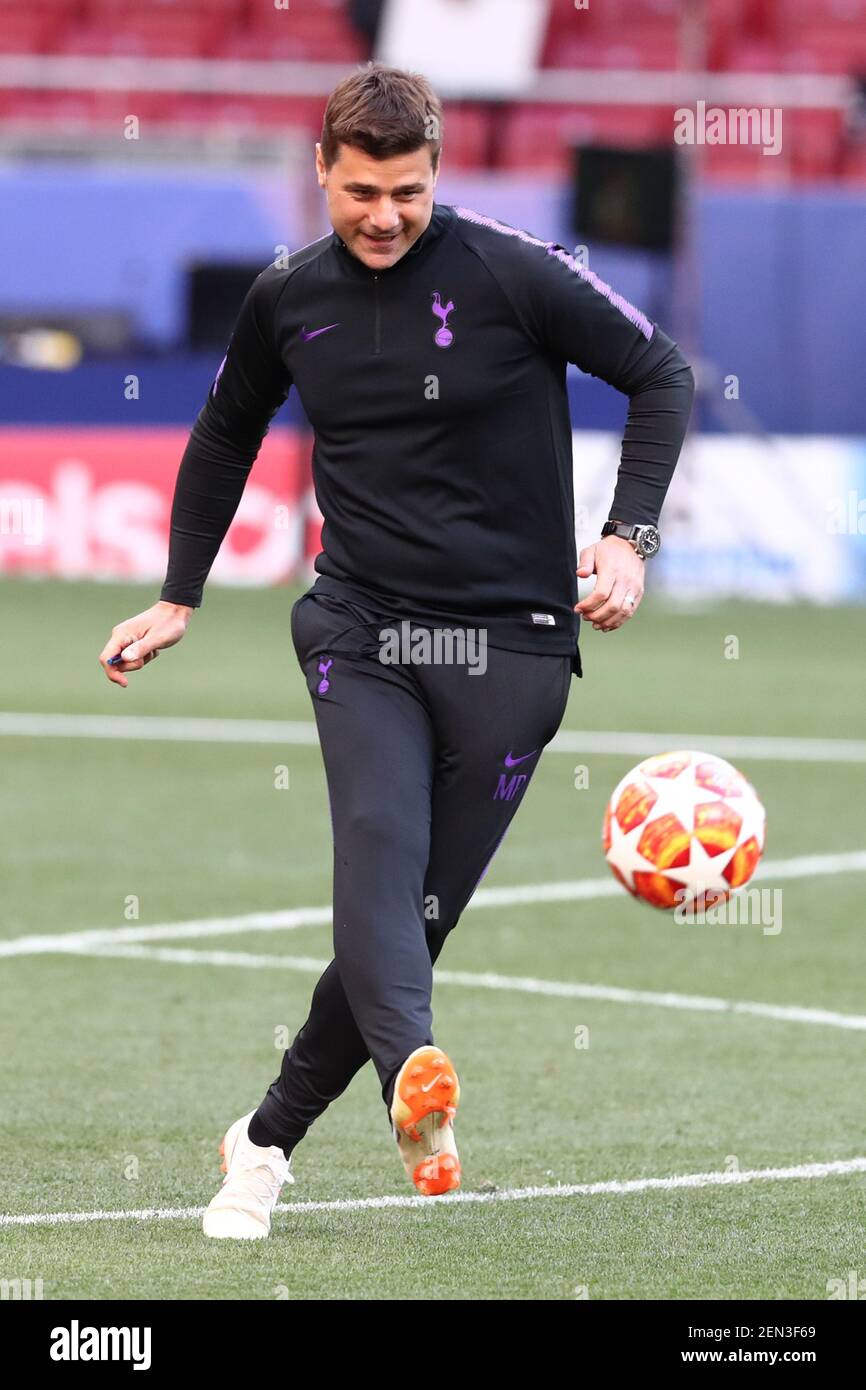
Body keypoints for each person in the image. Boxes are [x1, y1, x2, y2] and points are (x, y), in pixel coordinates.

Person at [99, 62, 694, 1240]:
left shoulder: (514, 272)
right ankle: (412, 1081)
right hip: (359, 625)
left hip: (514, 645)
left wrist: (627, 538)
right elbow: (223, 436)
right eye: (362, 190)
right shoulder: (285, 296)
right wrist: (180, 595)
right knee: (378, 847)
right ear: (320, 168)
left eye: (408, 192)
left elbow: (658, 373)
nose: (383, 215)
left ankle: (263, 1138)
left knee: (410, 923)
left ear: (438, 176)